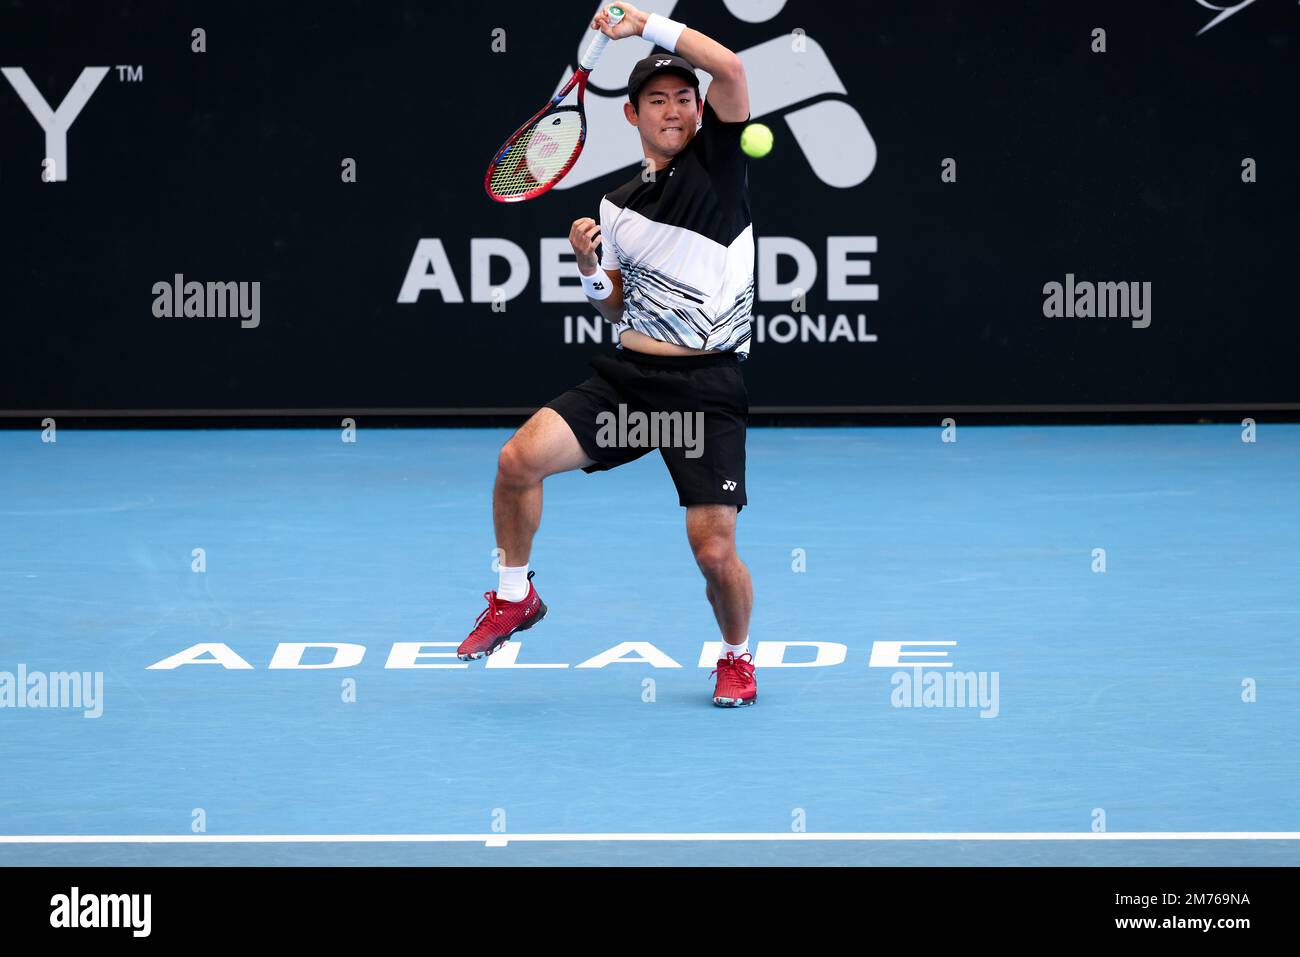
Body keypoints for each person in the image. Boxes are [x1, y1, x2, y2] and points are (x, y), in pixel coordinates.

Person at [457, 2, 757, 707]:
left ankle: (737, 656)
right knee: (516, 461)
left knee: (714, 552)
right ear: (633, 115)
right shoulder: (618, 205)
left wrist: (643, 23)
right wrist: (590, 268)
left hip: (706, 390)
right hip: (630, 382)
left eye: (686, 98)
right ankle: (513, 594)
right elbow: (618, 305)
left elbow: (733, 68)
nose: (677, 110)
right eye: (660, 100)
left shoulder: (720, 163)